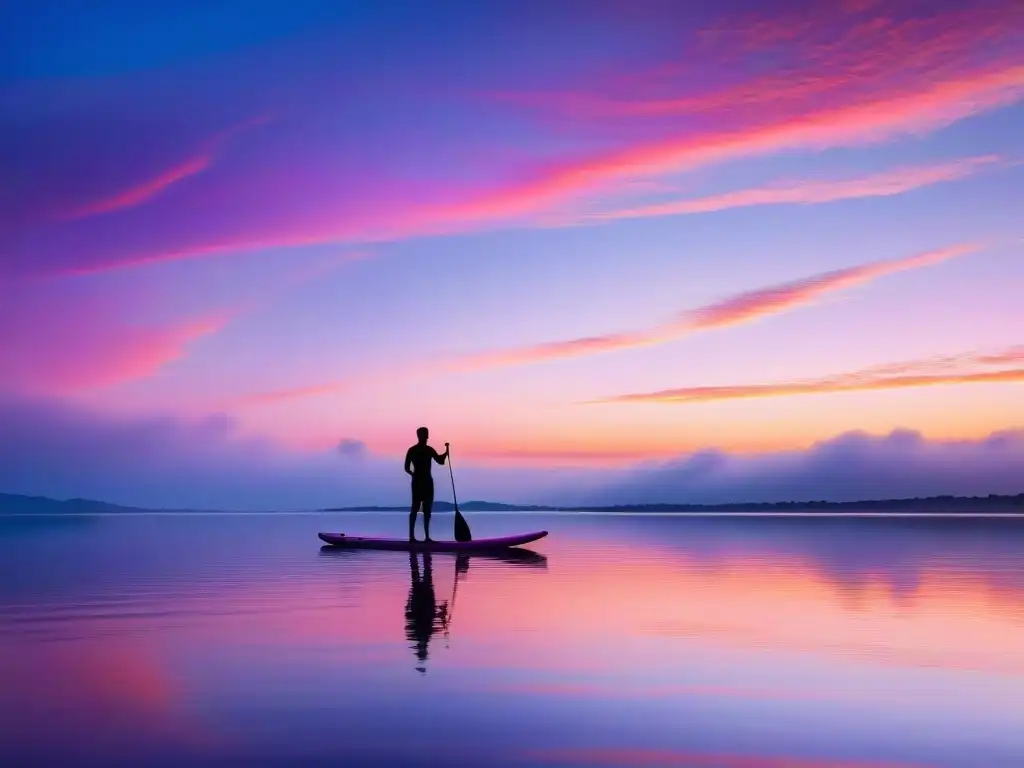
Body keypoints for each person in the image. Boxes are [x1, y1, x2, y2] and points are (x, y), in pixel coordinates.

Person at [404, 426, 449, 542]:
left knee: (427, 509)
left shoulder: (429, 450)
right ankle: (411, 537)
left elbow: (440, 461)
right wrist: (412, 474)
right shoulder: (412, 450)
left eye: (426, 434)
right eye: (424, 434)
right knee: (415, 508)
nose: (426, 437)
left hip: (428, 482)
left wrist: (446, 453)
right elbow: (406, 467)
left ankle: (427, 537)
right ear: (418, 436)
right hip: (418, 482)